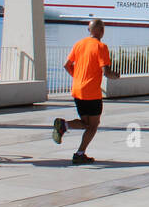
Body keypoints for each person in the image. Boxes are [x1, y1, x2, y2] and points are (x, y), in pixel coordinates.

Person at [51, 19, 121, 164]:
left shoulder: (79, 44)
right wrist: (115, 75)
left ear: (89, 30)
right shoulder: (101, 47)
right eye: (103, 28)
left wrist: (77, 78)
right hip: (92, 92)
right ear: (101, 30)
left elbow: (66, 65)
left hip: (77, 90)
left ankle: (65, 126)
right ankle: (79, 153)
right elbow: (106, 72)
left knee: (86, 123)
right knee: (93, 125)